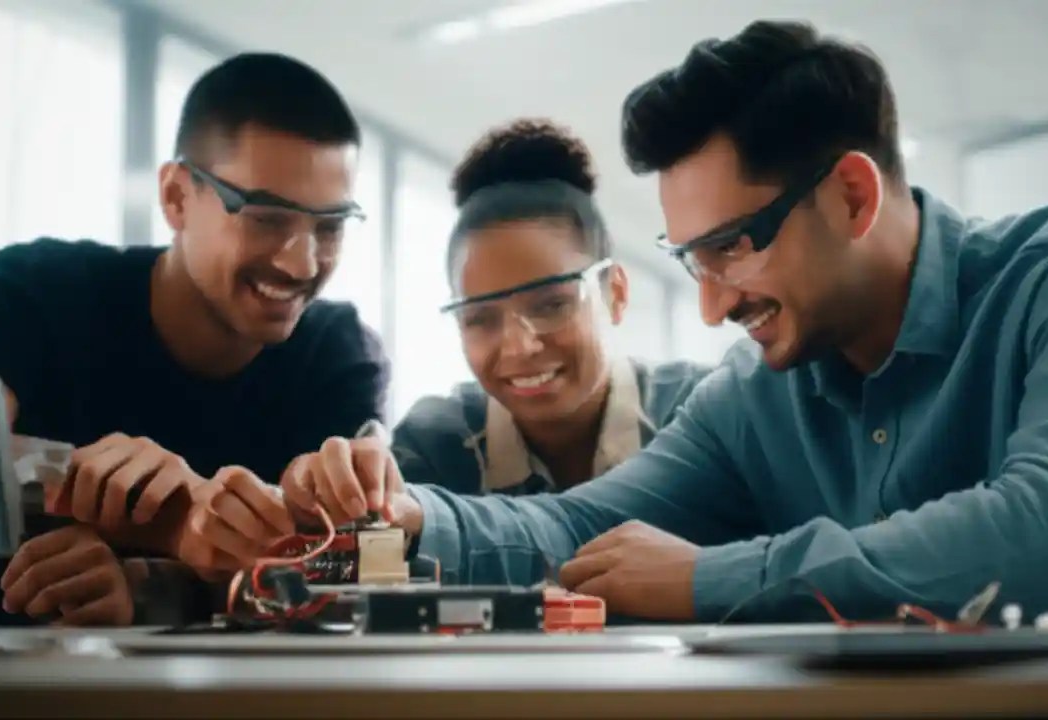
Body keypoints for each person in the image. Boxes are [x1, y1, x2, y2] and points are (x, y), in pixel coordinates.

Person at [221, 19, 1048, 624]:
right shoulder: (754, 394)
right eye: (689, 261)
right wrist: (410, 518)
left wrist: (713, 578)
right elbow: (579, 531)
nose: (710, 304)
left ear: (851, 195)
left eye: (733, 246)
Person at [0, 52, 389, 625]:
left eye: (329, 227)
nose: (302, 263)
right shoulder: (26, 292)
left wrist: (152, 587)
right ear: (177, 197)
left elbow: (369, 567)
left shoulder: (340, 353)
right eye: (266, 217)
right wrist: (167, 514)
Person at [190, 120, 712, 557]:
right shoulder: (435, 443)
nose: (519, 347)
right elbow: (365, 564)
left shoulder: (702, 409)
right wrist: (315, 512)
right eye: (480, 317)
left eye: (551, 305)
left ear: (615, 293)